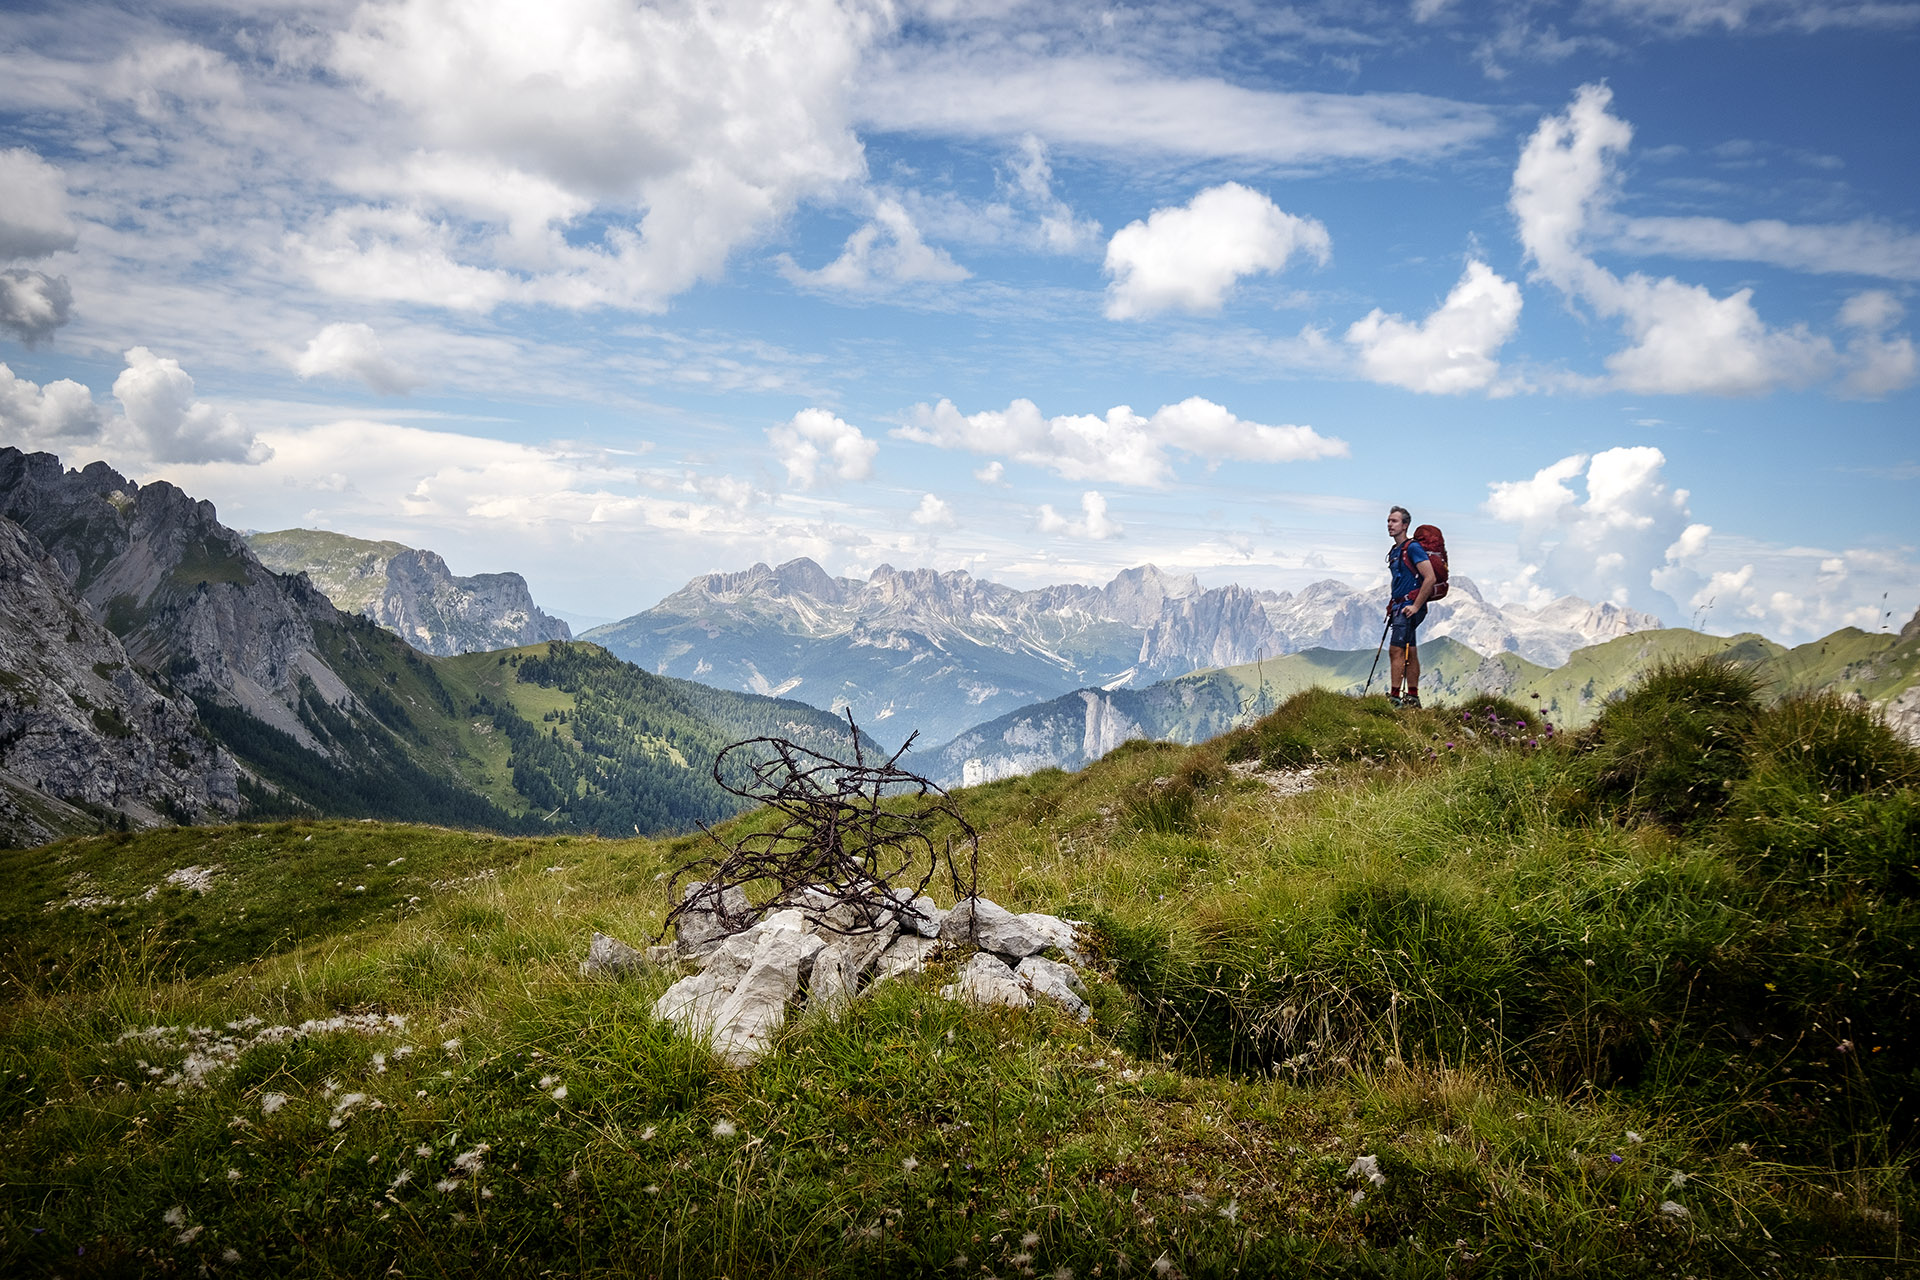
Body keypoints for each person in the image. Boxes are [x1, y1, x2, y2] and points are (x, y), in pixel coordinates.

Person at [1384, 505, 1437, 709]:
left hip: (1409, 607)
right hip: (1401, 605)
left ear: (1405, 525)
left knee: (1395, 651)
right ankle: (1412, 697)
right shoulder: (1395, 550)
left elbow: (1430, 578)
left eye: (1394, 521)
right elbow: (1399, 579)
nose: (1390, 525)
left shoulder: (1412, 548)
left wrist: (1415, 606)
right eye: (1388, 521)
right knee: (1410, 650)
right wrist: (1393, 602)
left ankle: (1395, 698)